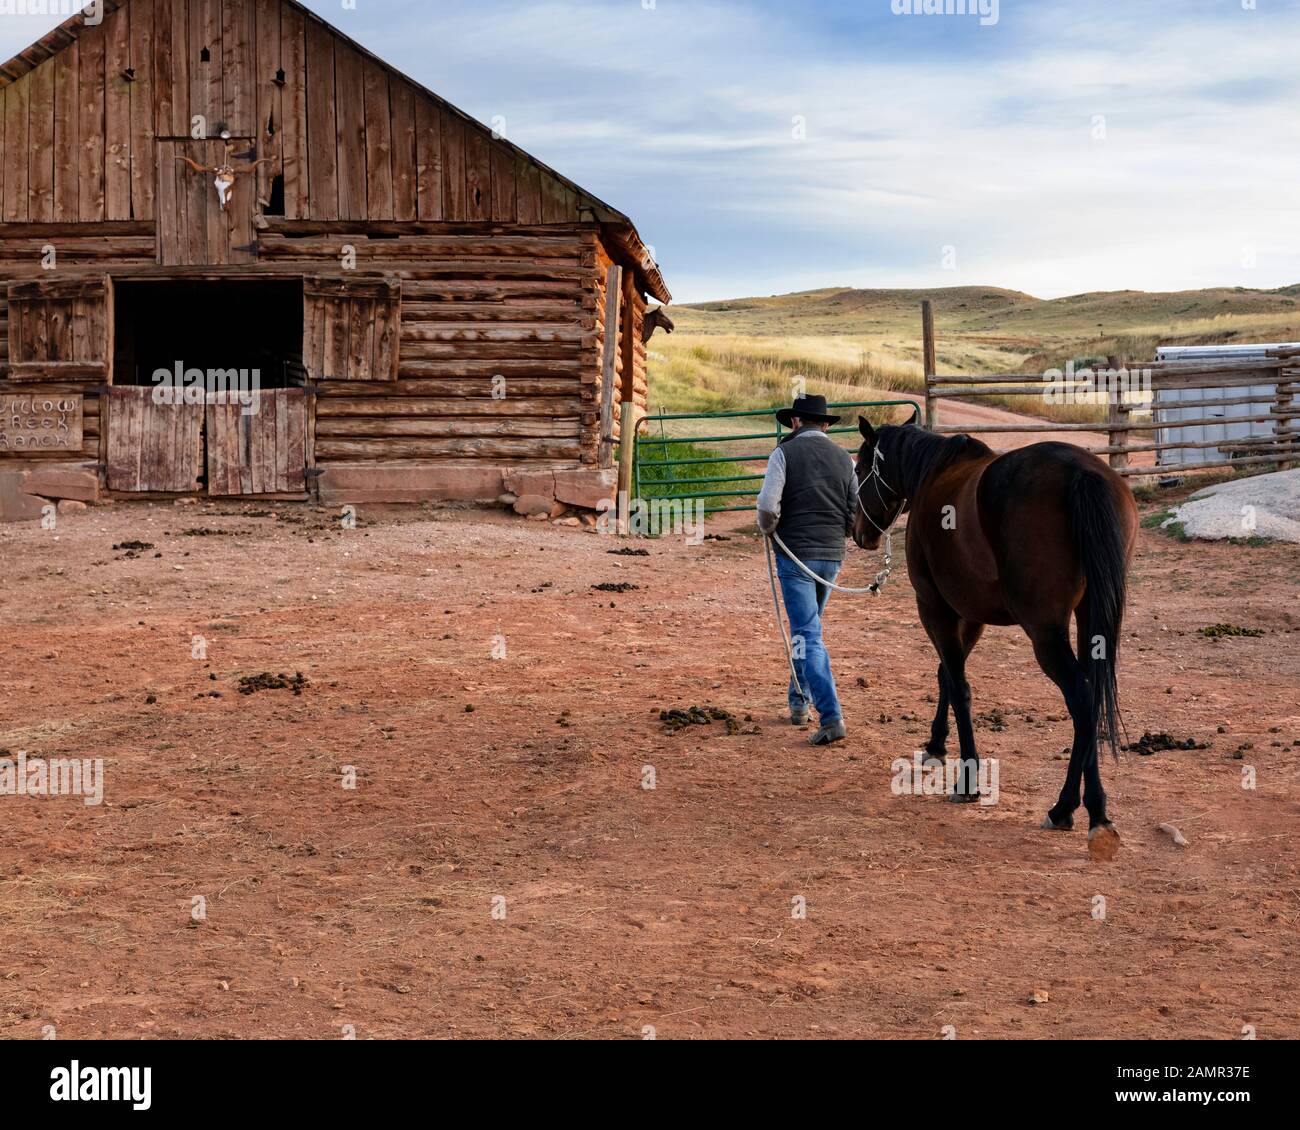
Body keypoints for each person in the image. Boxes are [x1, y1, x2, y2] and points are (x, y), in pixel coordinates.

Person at [757, 395, 858, 745]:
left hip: (794, 555)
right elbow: (854, 511)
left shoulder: (783, 453)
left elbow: (768, 506)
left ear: (796, 422)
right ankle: (798, 701)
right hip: (831, 556)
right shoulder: (845, 459)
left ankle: (831, 717)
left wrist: (769, 529)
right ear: (826, 424)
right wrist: (839, 535)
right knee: (807, 629)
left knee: (807, 635)